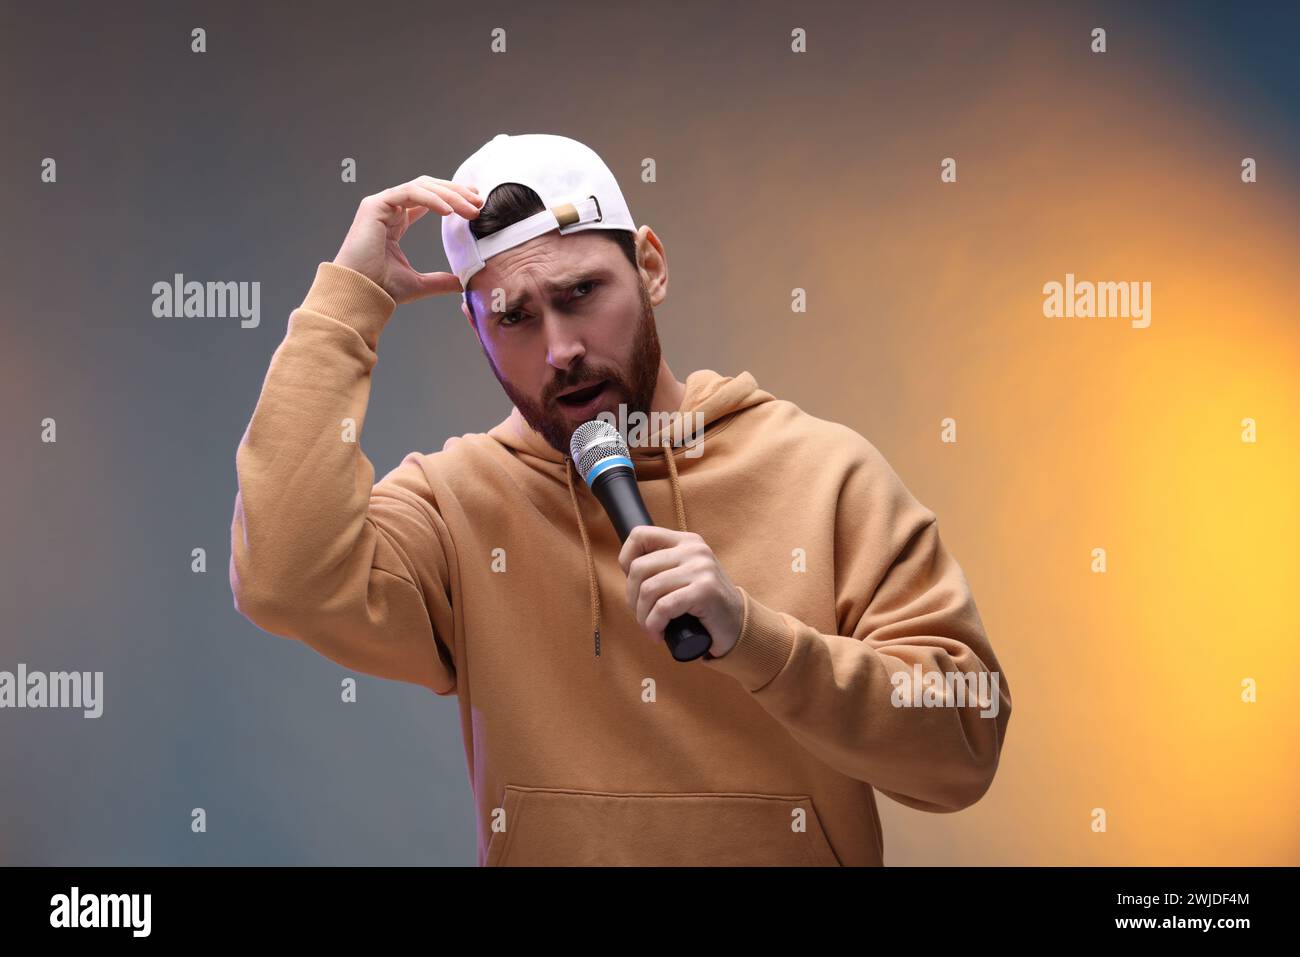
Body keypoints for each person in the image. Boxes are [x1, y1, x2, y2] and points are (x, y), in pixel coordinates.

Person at [229, 132, 1012, 866]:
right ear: (475, 328)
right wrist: (348, 302)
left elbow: (962, 745)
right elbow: (284, 578)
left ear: (652, 267)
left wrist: (758, 641)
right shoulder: (456, 505)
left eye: (582, 292)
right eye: (515, 316)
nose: (561, 348)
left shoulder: (824, 472)